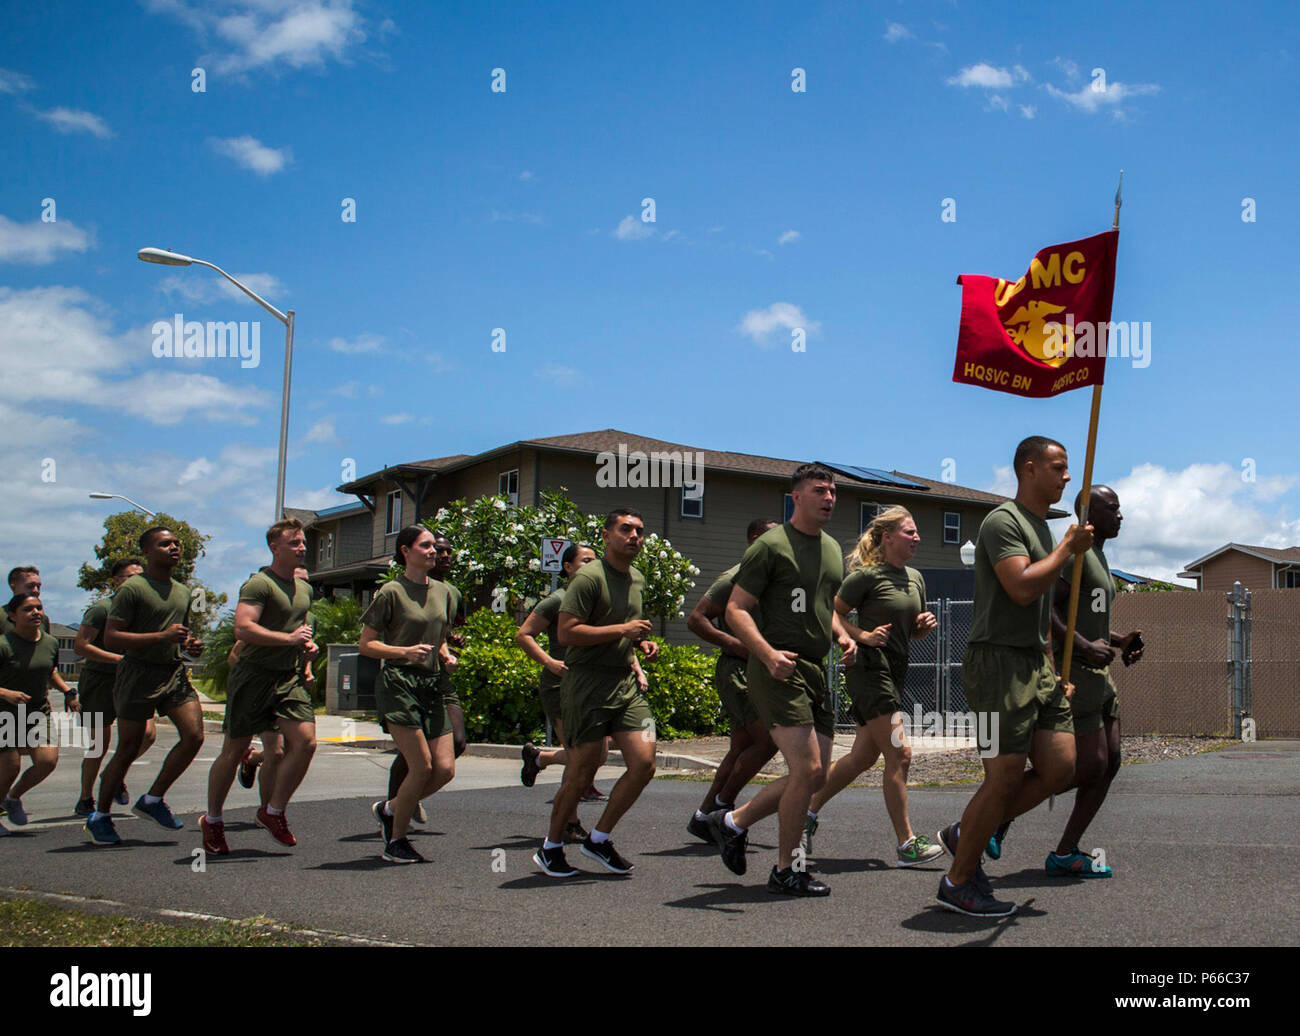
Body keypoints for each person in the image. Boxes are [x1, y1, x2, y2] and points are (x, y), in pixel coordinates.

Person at [934, 436, 1092, 916]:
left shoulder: (1042, 528)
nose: (1067, 477)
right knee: (1002, 777)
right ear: (1029, 469)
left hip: (1034, 665)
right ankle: (958, 881)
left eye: (1067, 468)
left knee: (1061, 766)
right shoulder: (1003, 521)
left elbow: (1040, 612)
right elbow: (1021, 588)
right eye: (1058, 467)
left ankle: (966, 832)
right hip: (994, 666)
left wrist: (1052, 669)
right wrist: (1066, 549)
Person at [703, 464, 858, 896]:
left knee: (816, 776)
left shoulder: (831, 549)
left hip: (814, 669)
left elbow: (824, 606)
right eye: (820, 490)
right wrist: (766, 654)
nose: (829, 498)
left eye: (833, 491)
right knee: (806, 770)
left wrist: (842, 635)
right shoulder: (770, 547)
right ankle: (786, 869)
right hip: (777, 665)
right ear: (797, 497)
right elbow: (735, 609)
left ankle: (731, 822)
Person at [987, 485, 1142, 876]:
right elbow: (1048, 610)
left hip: (1100, 678)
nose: (1120, 515)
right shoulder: (1076, 555)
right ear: (1090, 513)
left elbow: (1085, 618)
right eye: (1113, 509)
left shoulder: (1099, 557)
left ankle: (1065, 852)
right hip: (1077, 674)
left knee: (1111, 763)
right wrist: (1084, 647)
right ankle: (994, 817)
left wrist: (1119, 641)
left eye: (1120, 509)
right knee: (1085, 766)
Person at [800, 506, 944, 866]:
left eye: (916, 532)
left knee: (864, 757)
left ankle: (805, 811)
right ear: (887, 537)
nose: (917, 538)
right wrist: (860, 635)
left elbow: (909, 632)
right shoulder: (866, 576)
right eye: (909, 532)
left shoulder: (915, 578)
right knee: (900, 753)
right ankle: (906, 844)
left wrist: (921, 628)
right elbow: (829, 612)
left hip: (895, 671)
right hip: (868, 670)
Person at [532, 509, 659, 877]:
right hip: (586, 682)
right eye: (625, 529)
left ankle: (599, 839)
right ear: (606, 535)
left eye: (639, 530)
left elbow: (626, 629)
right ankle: (551, 847)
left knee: (644, 763)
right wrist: (622, 630)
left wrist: (640, 643)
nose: (634, 536)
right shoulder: (588, 578)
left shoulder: (637, 578)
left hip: (624, 682)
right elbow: (567, 632)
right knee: (582, 770)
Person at [201, 520, 319, 853]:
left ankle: (273, 811)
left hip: (287, 678)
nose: (302, 548)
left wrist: (305, 647)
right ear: (274, 548)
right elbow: (243, 627)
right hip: (253, 676)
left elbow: (298, 632)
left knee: (306, 743)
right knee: (234, 751)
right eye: (294, 543)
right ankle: (213, 820)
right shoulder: (259, 584)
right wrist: (288, 639)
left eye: (303, 542)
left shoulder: (304, 590)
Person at [85, 526, 206, 845]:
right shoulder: (133, 589)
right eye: (165, 544)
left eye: (176, 543)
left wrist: (189, 645)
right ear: (148, 552)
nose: (174, 547)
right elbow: (112, 638)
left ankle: (152, 799)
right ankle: (100, 816)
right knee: (127, 748)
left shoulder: (183, 591)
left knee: (194, 735)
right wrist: (161, 637)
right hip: (137, 674)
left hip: (172, 673)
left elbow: (180, 634)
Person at [360, 526, 457, 864]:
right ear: (405, 551)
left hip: (432, 684)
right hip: (399, 684)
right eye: (425, 546)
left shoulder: (445, 592)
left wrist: (445, 655)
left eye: (434, 546)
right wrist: (403, 652)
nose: (434, 551)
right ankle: (396, 841)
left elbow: (438, 634)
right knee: (421, 766)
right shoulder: (391, 592)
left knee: (444, 769)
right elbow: (366, 644)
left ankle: (390, 809)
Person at [685, 519, 779, 842]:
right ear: (754, 539)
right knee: (767, 741)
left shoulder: (771, 579)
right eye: (772, 537)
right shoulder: (734, 577)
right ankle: (721, 809)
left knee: (741, 747)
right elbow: (696, 619)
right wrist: (737, 645)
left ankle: (704, 816)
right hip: (738, 671)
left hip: (760, 669)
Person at [516, 542, 603, 843]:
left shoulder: (595, 600)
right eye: (585, 561)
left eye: (595, 561)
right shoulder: (557, 600)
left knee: (597, 754)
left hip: (591, 686)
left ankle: (540, 758)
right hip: (560, 685)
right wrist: (549, 662)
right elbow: (524, 635)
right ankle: (569, 822)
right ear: (567, 567)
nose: (592, 565)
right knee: (580, 757)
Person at [384, 534, 467, 825]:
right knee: (416, 755)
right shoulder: (399, 590)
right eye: (436, 549)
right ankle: (398, 806)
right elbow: (377, 639)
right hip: (406, 679)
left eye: (447, 551)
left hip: (438, 678)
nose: (442, 555)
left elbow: (445, 631)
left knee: (457, 742)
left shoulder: (450, 593)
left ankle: (398, 803)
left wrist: (450, 646)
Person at [73, 558, 156, 816]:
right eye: (131, 577)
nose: (138, 582)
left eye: (142, 576)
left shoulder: (143, 610)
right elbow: (81, 646)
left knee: (147, 734)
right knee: (99, 744)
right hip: (99, 681)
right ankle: (86, 798)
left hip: (132, 680)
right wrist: (118, 660)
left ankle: (114, 773)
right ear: (117, 581)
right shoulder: (102, 609)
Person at [231, 565, 316, 806]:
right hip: (261, 686)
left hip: (290, 687)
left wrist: (308, 668)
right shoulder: (268, 614)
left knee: (296, 749)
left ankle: (253, 761)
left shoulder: (309, 618)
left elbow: (303, 649)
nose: (300, 586)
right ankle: (266, 810)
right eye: (296, 580)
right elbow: (235, 655)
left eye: (305, 582)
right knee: (276, 752)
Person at [0, 594, 63, 832]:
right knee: (10, 767)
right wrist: (6, 693)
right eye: (28, 609)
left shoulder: (51, 643)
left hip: (38, 711)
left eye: (39, 608)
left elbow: (50, 672)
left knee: (47, 761)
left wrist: (68, 692)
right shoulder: (3, 645)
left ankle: (12, 798)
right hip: (4, 711)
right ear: (12, 616)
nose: (36, 612)